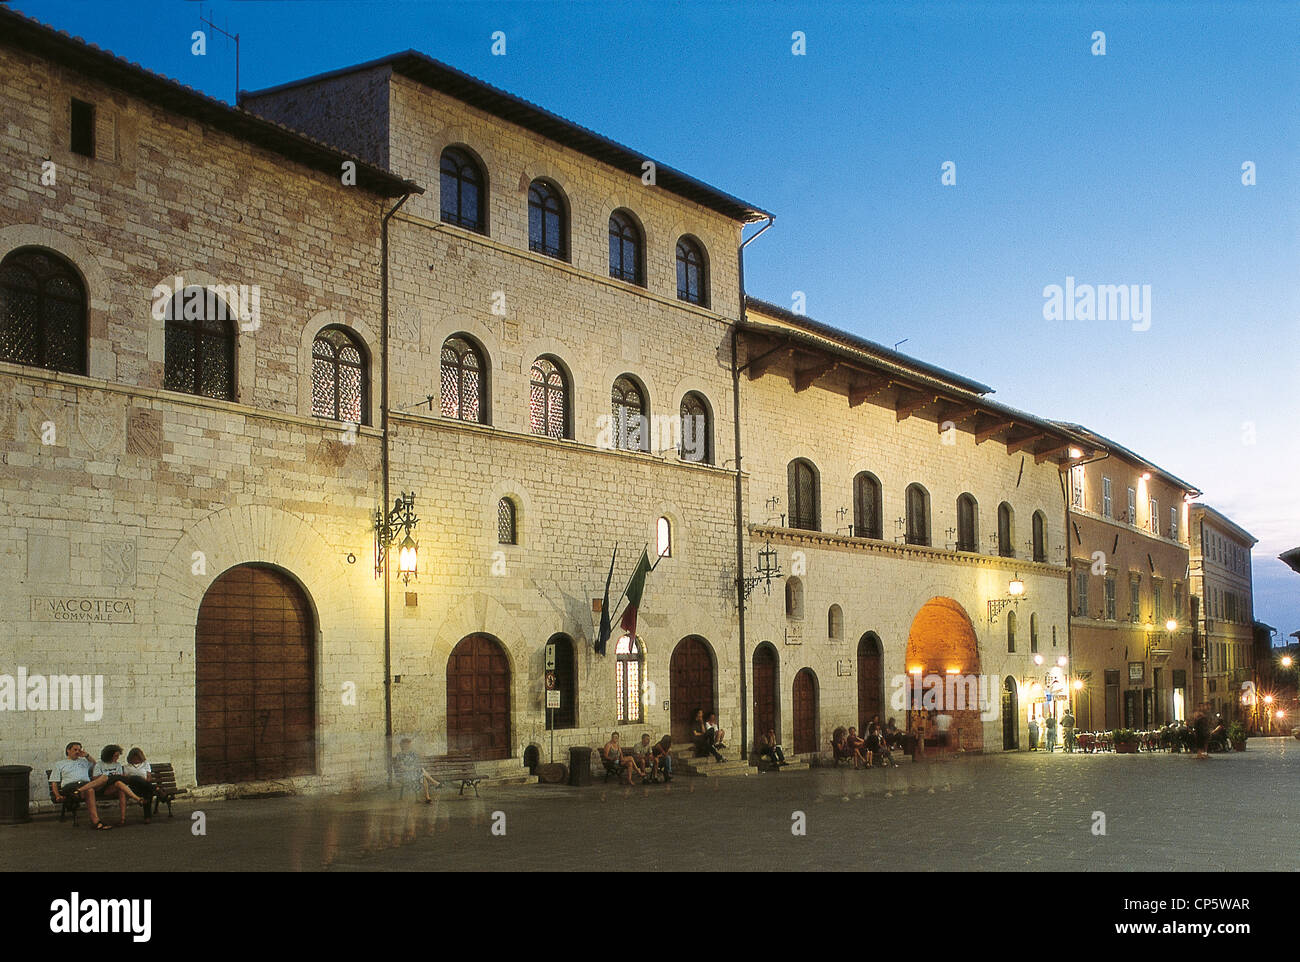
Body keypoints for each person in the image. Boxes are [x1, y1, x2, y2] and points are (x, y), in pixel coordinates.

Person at [50, 742, 111, 830]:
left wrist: (87, 755)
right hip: (70, 787)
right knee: (90, 790)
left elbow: (95, 764)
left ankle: (80, 791)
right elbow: (54, 782)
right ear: (68, 750)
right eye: (75, 750)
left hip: (84, 785)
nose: (77, 752)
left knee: (104, 777)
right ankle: (96, 822)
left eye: (79, 750)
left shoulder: (84, 762)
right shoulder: (60, 764)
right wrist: (57, 795)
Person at [94, 745, 146, 825]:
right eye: (115, 756)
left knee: (120, 787)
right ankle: (138, 799)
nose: (117, 757)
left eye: (118, 755)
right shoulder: (99, 765)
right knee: (119, 785)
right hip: (103, 788)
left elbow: (120, 777)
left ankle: (122, 819)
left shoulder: (117, 764)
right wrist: (109, 776)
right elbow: (95, 779)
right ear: (109, 755)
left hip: (115, 786)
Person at [394, 737, 441, 801]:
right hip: (405, 774)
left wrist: (413, 768)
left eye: (409, 744)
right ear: (403, 745)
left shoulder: (413, 753)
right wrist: (410, 768)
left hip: (414, 772)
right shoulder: (399, 755)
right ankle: (435, 783)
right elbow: (402, 766)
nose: (409, 745)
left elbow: (416, 763)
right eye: (407, 744)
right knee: (422, 772)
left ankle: (428, 797)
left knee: (423, 776)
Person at [122, 747, 159, 823]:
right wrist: (137, 779)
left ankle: (147, 817)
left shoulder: (145, 764)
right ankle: (156, 789)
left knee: (147, 792)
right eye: (134, 758)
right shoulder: (127, 767)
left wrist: (142, 781)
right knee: (135, 778)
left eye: (138, 758)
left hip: (144, 786)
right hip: (133, 788)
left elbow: (149, 778)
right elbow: (126, 779)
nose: (136, 760)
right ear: (130, 758)